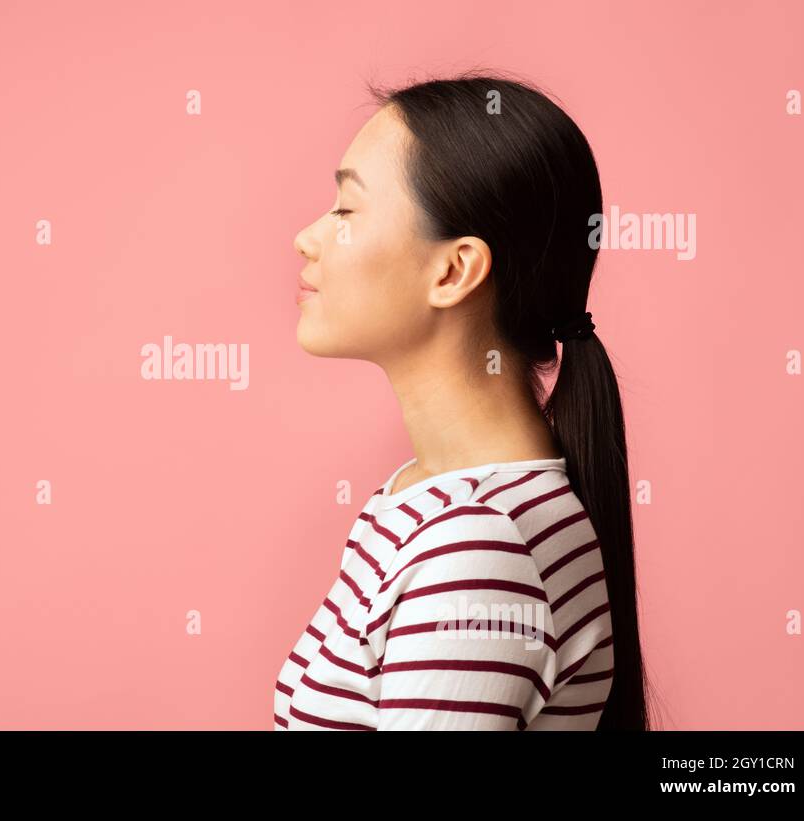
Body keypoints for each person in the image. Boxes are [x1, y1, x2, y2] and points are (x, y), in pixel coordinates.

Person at [277, 73, 651, 730]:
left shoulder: (478, 550)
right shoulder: (423, 496)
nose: (306, 237)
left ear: (454, 270)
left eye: (345, 211)